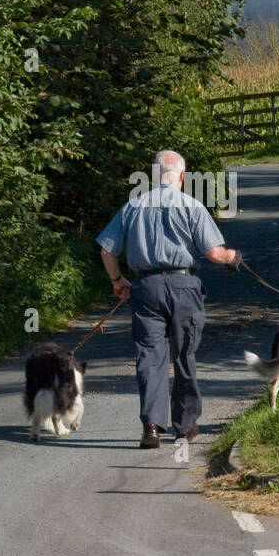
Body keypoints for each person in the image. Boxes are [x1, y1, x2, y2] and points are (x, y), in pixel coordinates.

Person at [96, 150, 242, 448]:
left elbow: (106, 250)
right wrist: (234, 257)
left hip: (145, 287)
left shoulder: (133, 206)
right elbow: (214, 253)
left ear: (153, 176)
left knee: (150, 357)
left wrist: (117, 280)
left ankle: (151, 425)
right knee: (184, 353)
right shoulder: (191, 206)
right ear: (182, 176)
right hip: (183, 286)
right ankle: (185, 425)